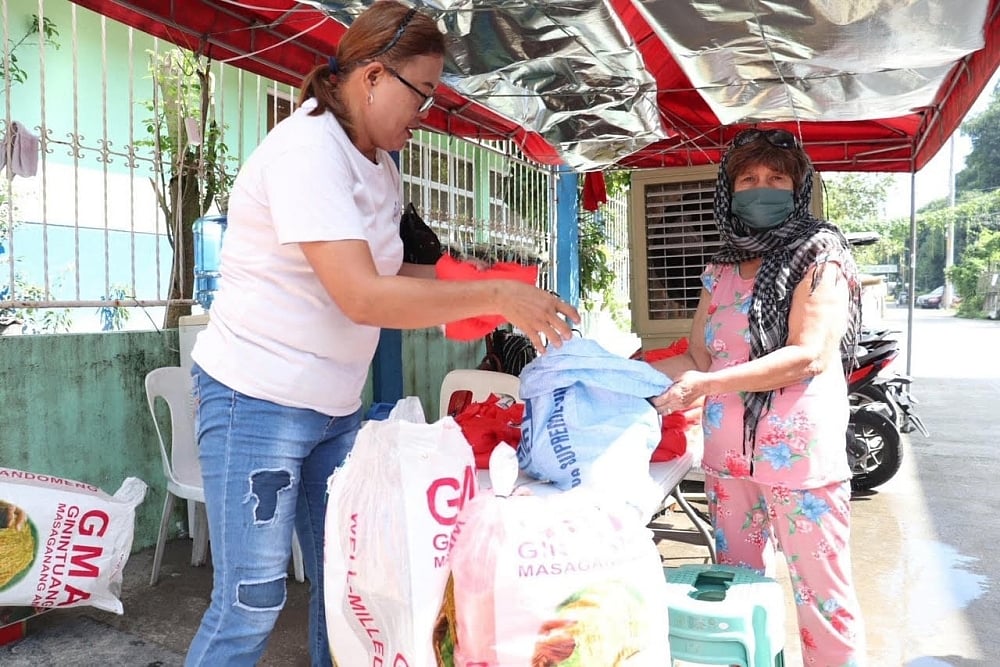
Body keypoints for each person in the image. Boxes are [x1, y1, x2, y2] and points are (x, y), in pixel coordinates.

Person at [184, 3, 579, 665]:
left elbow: (410, 275)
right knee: (250, 602)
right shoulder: (308, 151)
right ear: (371, 77)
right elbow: (362, 294)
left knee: (346, 586)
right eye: (420, 95)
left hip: (333, 407)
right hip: (256, 399)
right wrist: (494, 292)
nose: (422, 116)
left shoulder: (381, 167)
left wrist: (500, 293)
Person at [651, 128, 866, 666]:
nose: (761, 188)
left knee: (823, 598)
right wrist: (618, 370)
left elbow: (808, 355)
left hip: (799, 459)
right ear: (729, 190)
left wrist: (708, 385)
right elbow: (701, 357)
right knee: (740, 588)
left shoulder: (820, 255)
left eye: (776, 178)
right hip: (728, 458)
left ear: (798, 189)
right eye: (748, 178)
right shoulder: (721, 267)